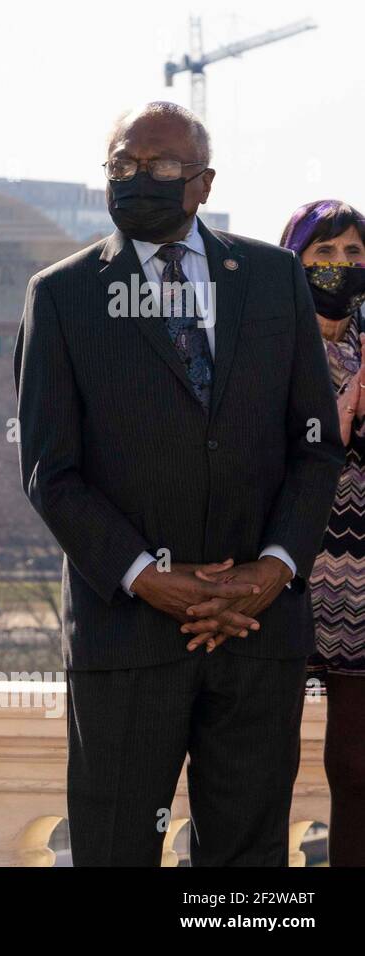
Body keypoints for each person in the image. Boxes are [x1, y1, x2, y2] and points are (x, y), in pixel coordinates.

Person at [14, 101, 345, 866]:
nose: (137, 180)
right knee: (116, 850)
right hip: (126, 636)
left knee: (247, 861)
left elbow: (315, 448)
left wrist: (272, 570)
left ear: (202, 183)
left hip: (257, 631)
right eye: (121, 166)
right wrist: (147, 577)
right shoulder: (61, 297)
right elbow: (49, 472)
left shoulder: (272, 278)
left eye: (159, 168)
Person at [279, 199, 365, 866]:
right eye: (325, 254)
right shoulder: (271, 345)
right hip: (283, 574)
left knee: (357, 766)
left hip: (361, 589)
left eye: (353, 255)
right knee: (262, 763)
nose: (340, 267)